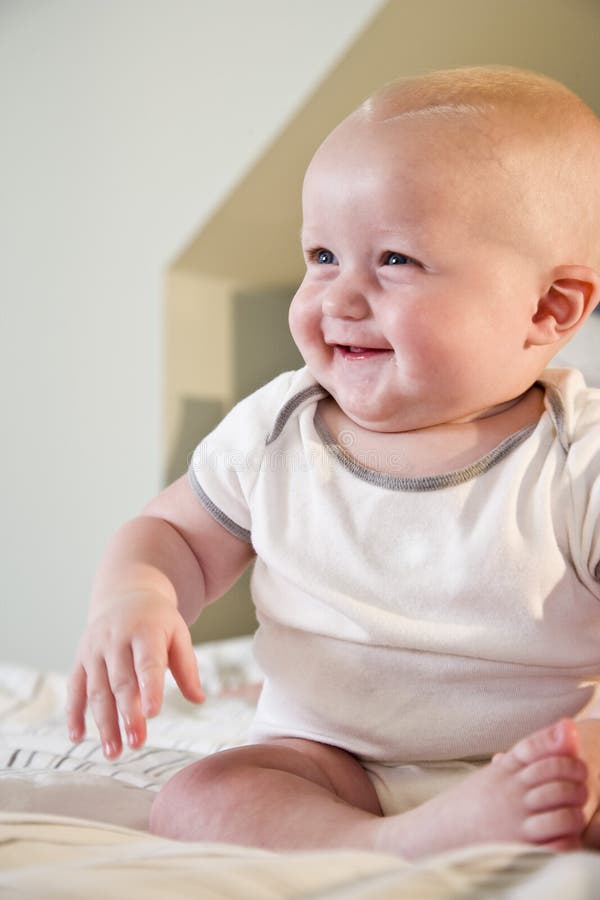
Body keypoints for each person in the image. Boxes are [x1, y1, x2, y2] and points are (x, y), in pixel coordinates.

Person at [67, 65, 600, 859]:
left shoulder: (578, 456)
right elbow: (172, 534)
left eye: (395, 261)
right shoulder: (279, 430)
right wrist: (136, 597)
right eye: (322, 255)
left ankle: (492, 818)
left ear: (549, 308)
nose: (338, 298)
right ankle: (389, 842)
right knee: (199, 798)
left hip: (536, 764)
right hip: (329, 760)